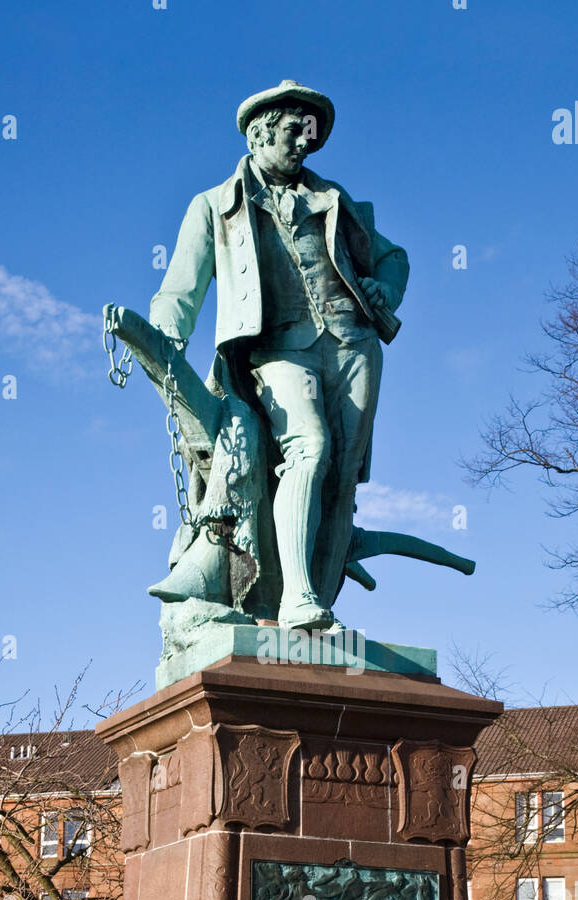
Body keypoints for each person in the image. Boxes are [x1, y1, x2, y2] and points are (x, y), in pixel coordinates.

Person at [150, 80, 409, 631]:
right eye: (294, 132)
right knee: (309, 447)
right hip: (277, 350)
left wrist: (386, 287)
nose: (304, 145)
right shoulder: (213, 207)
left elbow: (393, 258)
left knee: (342, 479)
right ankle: (294, 599)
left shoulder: (332, 198)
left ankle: (320, 604)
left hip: (353, 344)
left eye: (309, 136)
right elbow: (179, 290)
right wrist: (163, 341)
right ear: (259, 133)